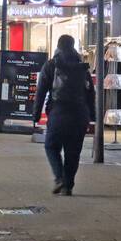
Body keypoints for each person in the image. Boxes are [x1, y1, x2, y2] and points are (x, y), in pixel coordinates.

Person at [31, 35, 96, 196]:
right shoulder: (82, 66)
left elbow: (41, 92)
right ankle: (68, 186)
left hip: (58, 113)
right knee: (73, 152)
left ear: (58, 46)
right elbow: (90, 93)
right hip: (80, 115)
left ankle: (59, 177)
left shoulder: (52, 65)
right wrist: (92, 116)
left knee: (51, 146)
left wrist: (35, 115)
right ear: (73, 46)